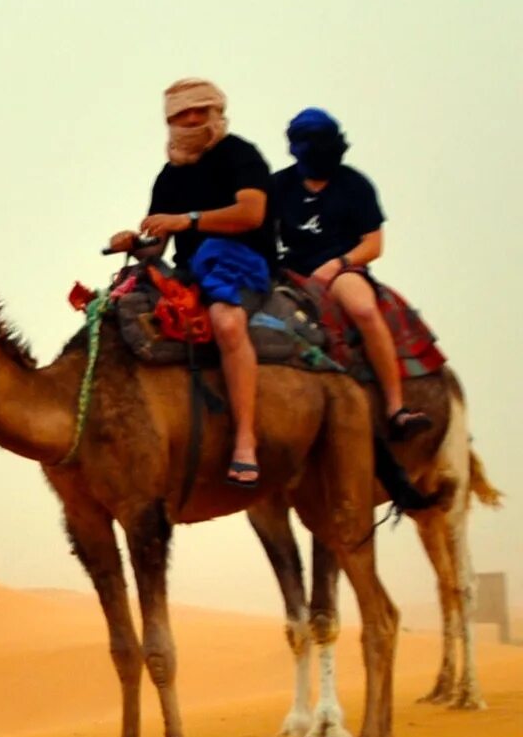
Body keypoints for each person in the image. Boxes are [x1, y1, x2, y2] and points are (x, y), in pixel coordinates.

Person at [107, 77, 274, 488]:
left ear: (217, 112)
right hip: (189, 270)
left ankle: (245, 442)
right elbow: (156, 245)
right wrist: (133, 240)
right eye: (183, 112)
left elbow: (251, 214)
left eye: (201, 110)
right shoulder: (171, 175)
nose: (193, 118)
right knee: (118, 316)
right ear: (171, 119)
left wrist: (191, 220)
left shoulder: (240, 155)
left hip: (243, 262)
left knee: (227, 323)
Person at [269, 108, 430, 439]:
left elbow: (373, 244)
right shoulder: (279, 186)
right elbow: (263, 234)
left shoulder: (354, 185)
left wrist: (339, 264)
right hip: (289, 271)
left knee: (364, 309)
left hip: (340, 269)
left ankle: (395, 407)